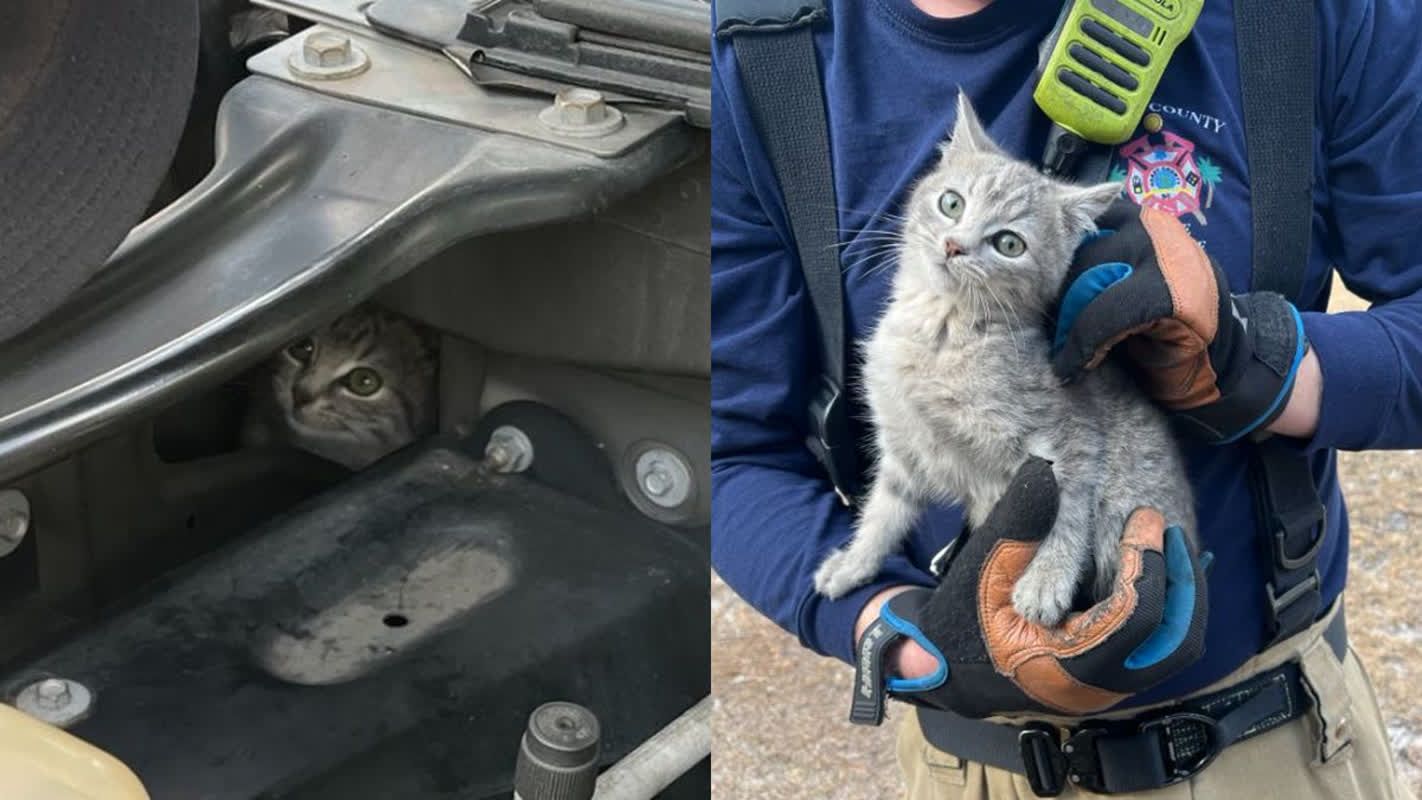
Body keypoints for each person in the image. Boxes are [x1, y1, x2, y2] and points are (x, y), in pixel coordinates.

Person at [710, 0, 1422, 796]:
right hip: (963, 768)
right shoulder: (764, 54)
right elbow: (735, 452)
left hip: (1270, 750)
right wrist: (908, 641)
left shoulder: (1314, 17)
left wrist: (1261, 362)